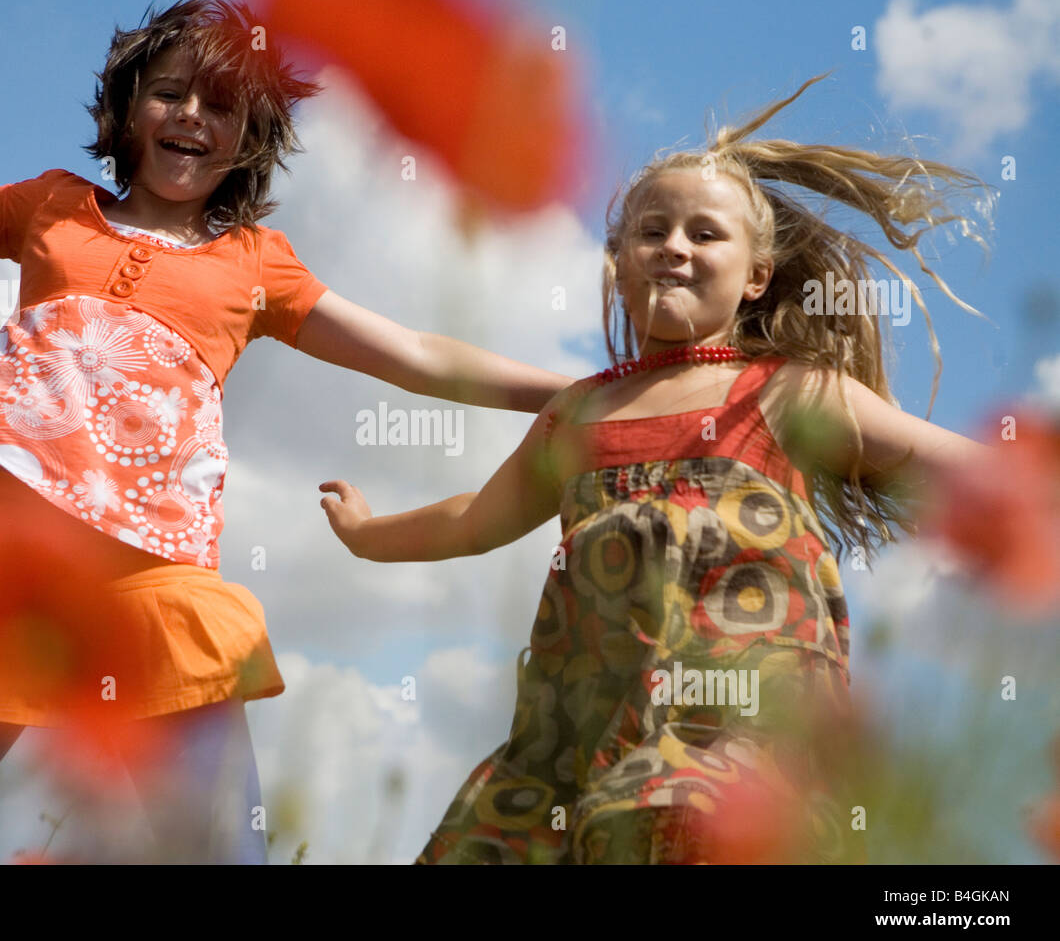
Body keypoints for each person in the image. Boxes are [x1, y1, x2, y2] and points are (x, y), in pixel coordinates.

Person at [0, 0, 571, 863]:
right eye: (171, 93)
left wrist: (577, 388)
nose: (192, 114)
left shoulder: (257, 265)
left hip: (161, 588)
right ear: (124, 110)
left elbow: (410, 352)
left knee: (214, 849)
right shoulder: (50, 208)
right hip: (13, 582)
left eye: (220, 104)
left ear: (250, 137)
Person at [319, 73, 996, 863]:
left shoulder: (790, 392)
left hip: (740, 727)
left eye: (704, 234)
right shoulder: (575, 414)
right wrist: (368, 536)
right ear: (620, 260)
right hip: (588, 733)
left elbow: (964, 467)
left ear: (756, 277)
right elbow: (475, 521)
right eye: (652, 231)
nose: (674, 246)